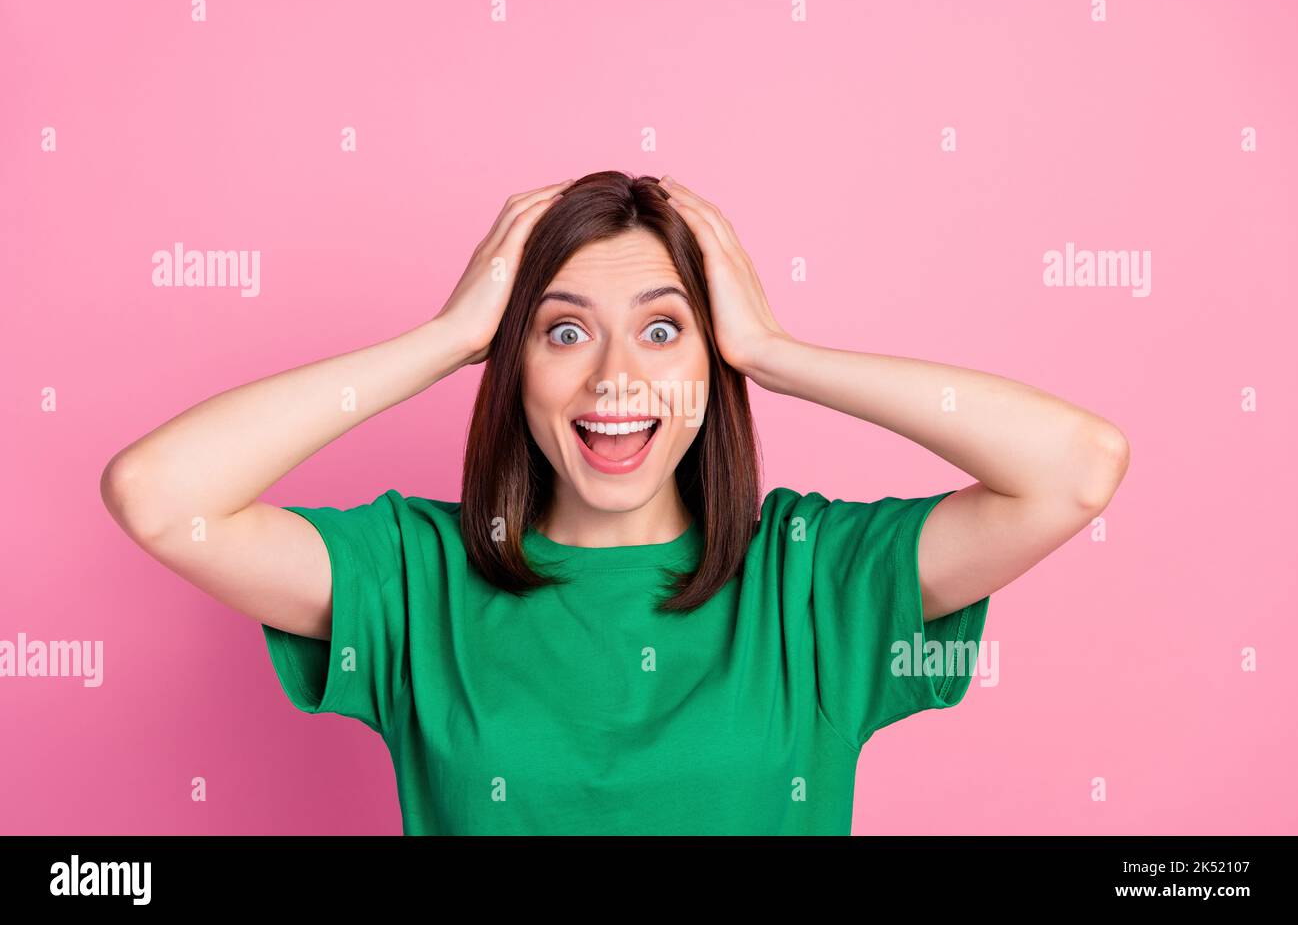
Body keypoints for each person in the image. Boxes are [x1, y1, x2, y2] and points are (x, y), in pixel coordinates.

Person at [99, 171, 1130, 835]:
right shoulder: (416, 575)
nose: (612, 379)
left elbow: (1076, 464)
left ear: (709, 360)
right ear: (515, 368)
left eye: (661, 329)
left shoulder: (810, 577)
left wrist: (775, 352)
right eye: (560, 331)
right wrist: (445, 339)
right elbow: (157, 494)